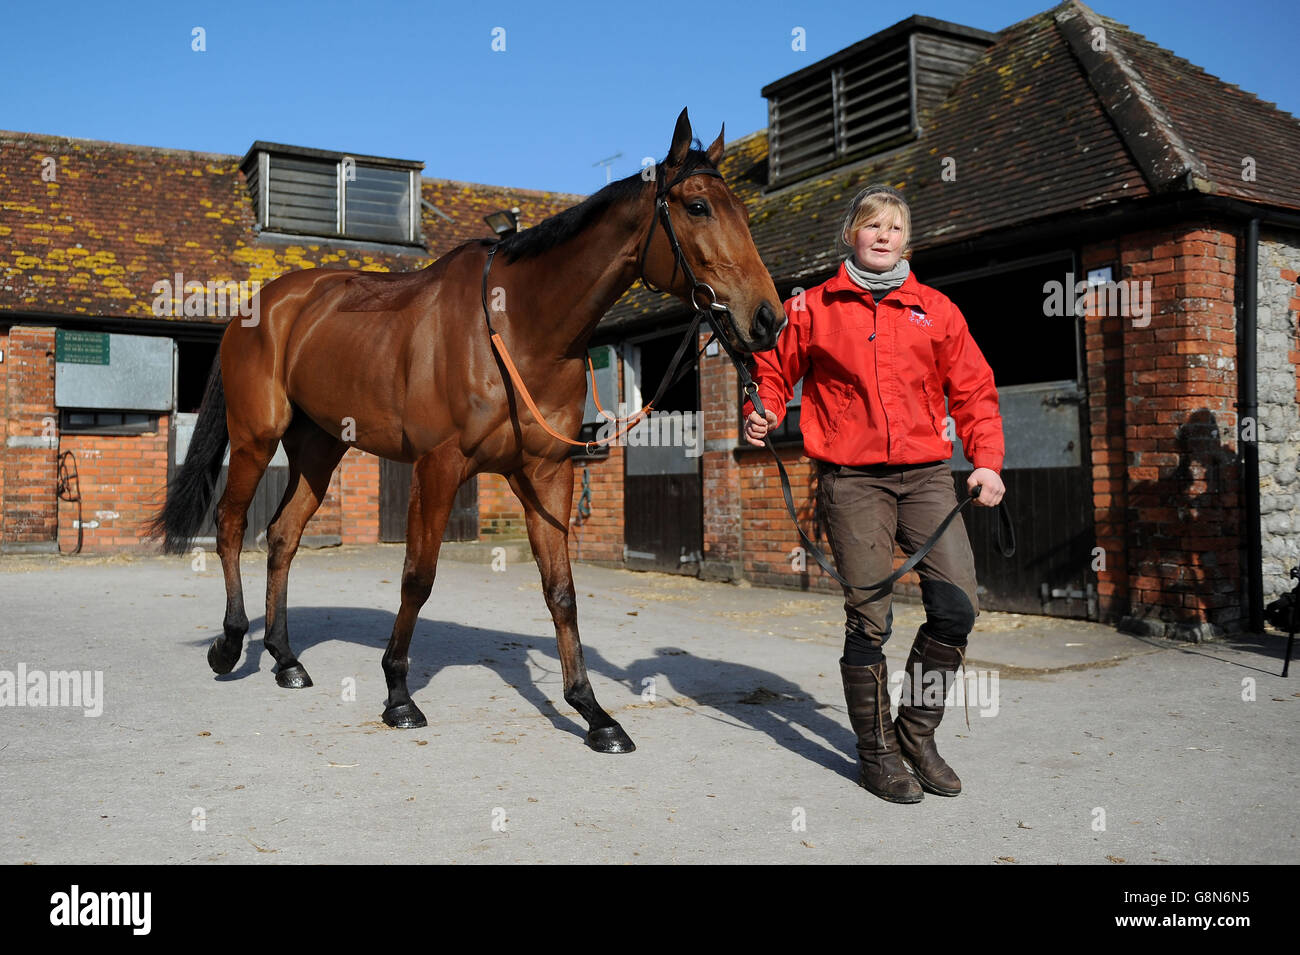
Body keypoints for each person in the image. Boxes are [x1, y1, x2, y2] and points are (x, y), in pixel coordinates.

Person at [743, 184, 1005, 804]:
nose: (883, 235)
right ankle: (876, 752)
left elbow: (973, 389)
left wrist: (987, 462)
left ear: (906, 241)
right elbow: (774, 371)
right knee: (870, 621)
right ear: (851, 235)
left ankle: (916, 732)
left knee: (957, 607)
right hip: (852, 480)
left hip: (926, 478)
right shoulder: (810, 307)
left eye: (894, 227)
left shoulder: (936, 309)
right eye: (871, 225)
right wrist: (763, 409)